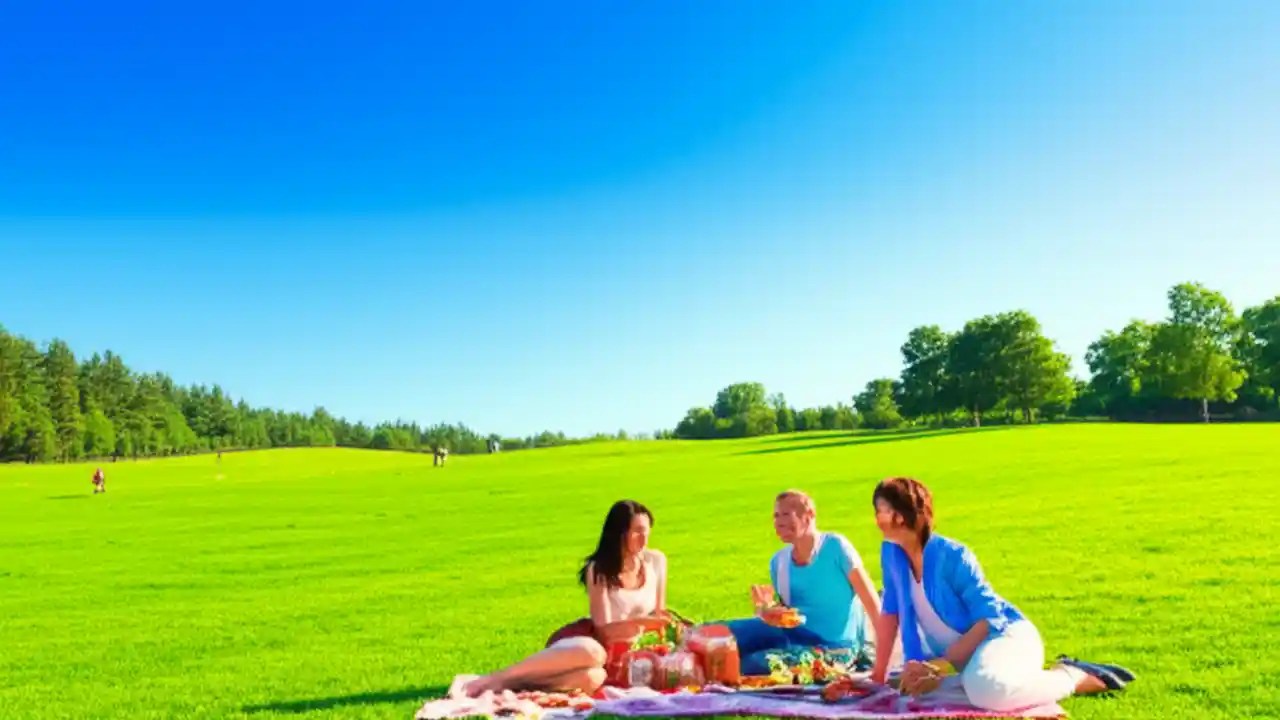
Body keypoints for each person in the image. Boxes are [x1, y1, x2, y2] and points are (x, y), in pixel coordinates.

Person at [869, 476, 1135, 711]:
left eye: (881, 511)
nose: (876, 520)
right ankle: (968, 679)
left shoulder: (953, 556)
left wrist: (942, 664)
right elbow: (890, 612)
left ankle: (1072, 676)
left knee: (986, 691)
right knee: (910, 687)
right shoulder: (892, 555)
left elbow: (989, 620)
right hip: (960, 656)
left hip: (1004, 638)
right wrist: (878, 677)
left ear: (901, 515)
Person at [463, 500, 670, 696]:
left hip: (623, 660)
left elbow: (660, 616)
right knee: (594, 653)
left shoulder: (656, 561)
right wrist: (643, 623)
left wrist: (670, 630)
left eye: (646, 532)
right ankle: (491, 679)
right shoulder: (598, 569)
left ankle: (509, 685)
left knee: (593, 679)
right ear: (618, 533)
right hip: (587, 647)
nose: (643, 539)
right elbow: (604, 630)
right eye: (636, 532)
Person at [720, 490, 883, 675]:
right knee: (722, 635)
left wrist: (881, 658)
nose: (779, 522)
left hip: (836, 648)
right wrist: (767, 610)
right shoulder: (779, 562)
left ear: (810, 516)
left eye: (787, 514)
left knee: (752, 664)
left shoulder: (836, 547)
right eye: (776, 515)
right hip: (793, 635)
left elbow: (871, 601)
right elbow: (786, 614)